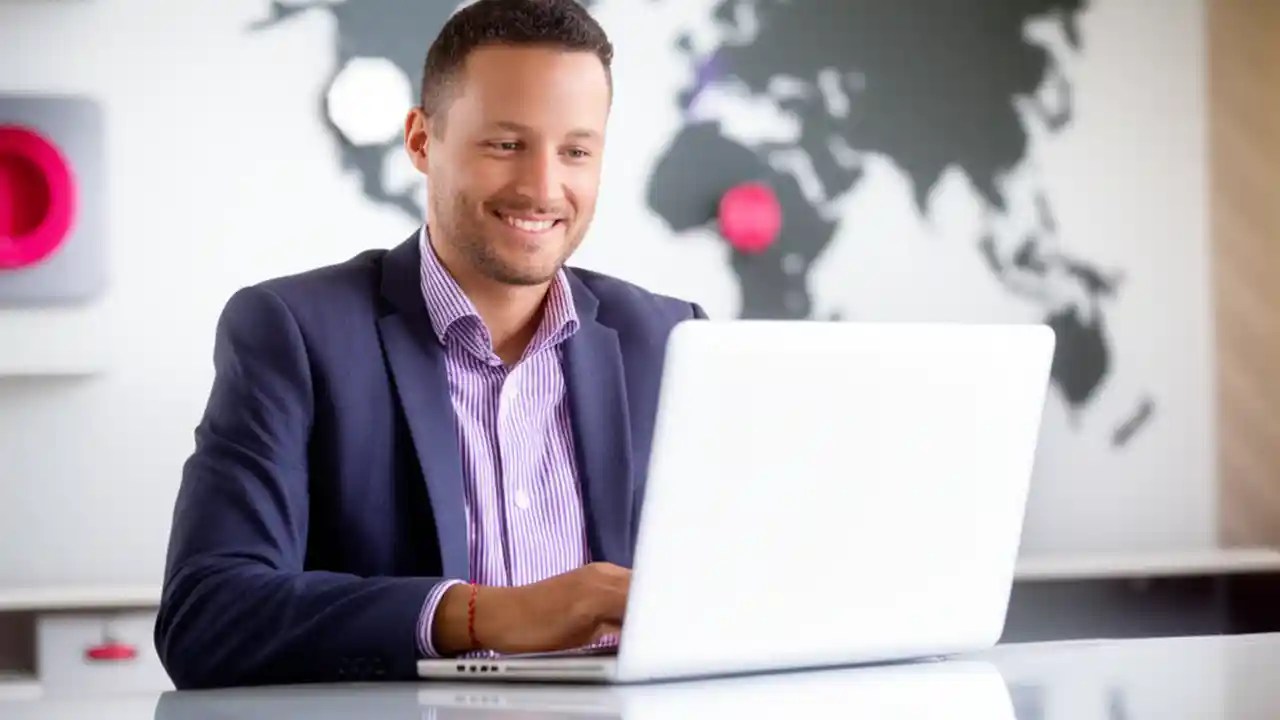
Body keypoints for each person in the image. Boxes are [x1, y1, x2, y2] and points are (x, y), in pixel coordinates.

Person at [155, 0, 705, 689]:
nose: (543, 187)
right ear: (421, 141)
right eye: (505, 144)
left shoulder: (670, 341)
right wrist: (483, 615)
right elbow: (207, 618)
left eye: (575, 151)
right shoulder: (292, 331)